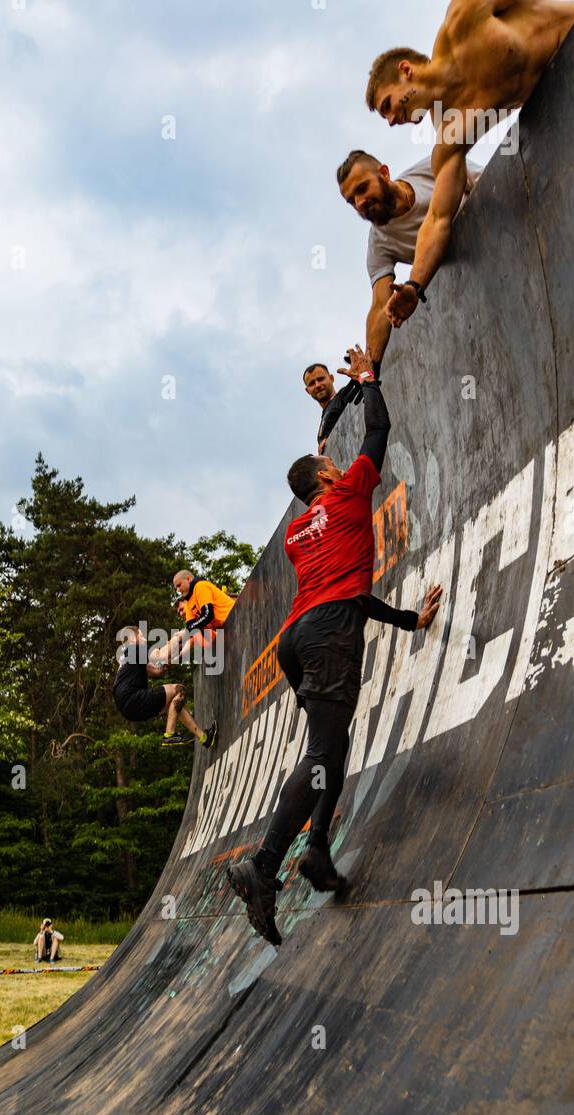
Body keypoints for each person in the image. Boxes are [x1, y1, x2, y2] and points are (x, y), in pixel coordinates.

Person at [227, 345, 441, 946]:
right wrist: (367, 378)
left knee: (334, 748)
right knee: (324, 751)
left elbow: (348, 593)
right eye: (333, 466)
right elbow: (379, 428)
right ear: (325, 477)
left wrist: (406, 620)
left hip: (295, 639)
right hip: (325, 635)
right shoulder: (347, 492)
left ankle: (316, 849)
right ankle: (263, 868)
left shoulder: (299, 531)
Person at [365, 0, 574, 328]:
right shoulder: (450, 137)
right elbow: (438, 219)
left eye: (388, 105)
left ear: (406, 70)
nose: (392, 120)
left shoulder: (464, 20)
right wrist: (414, 286)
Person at [336, 150, 479, 368]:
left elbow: (486, 182)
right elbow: (380, 305)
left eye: (362, 189)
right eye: (351, 201)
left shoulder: (431, 168)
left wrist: (414, 285)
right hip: (471, 281)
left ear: (384, 173)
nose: (360, 203)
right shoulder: (379, 243)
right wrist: (370, 367)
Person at [113, 625, 217, 749]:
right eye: (141, 636)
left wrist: (166, 664)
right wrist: (179, 636)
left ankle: (204, 738)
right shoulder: (135, 648)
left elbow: (155, 671)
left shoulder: (127, 657)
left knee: (176, 703)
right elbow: (159, 655)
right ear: (133, 639)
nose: (145, 640)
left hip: (128, 709)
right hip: (132, 698)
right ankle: (169, 735)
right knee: (178, 689)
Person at [152, 570, 236, 668]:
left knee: (183, 634)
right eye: (176, 588)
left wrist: (186, 632)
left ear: (188, 579)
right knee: (178, 637)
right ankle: (161, 660)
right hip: (224, 631)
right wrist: (178, 656)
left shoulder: (200, 586)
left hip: (235, 617)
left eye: (179, 585)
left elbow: (208, 615)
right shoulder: (188, 604)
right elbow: (191, 634)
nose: (178, 590)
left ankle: (160, 657)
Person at [304, 362, 364, 451]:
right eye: (312, 383)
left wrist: (362, 374)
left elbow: (364, 386)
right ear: (307, 390)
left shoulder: (343, 395)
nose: (317, 385)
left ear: (331, 378)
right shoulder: (321, 426)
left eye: (320, 379)